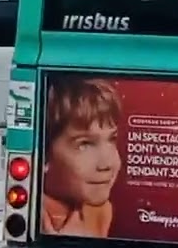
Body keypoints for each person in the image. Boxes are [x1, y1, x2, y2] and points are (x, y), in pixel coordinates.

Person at [40, 77, 122, 238]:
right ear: (44, 154)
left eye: (111, 139)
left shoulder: (99, 212)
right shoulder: (33, 214)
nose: (107, 164)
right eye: (85, 145)